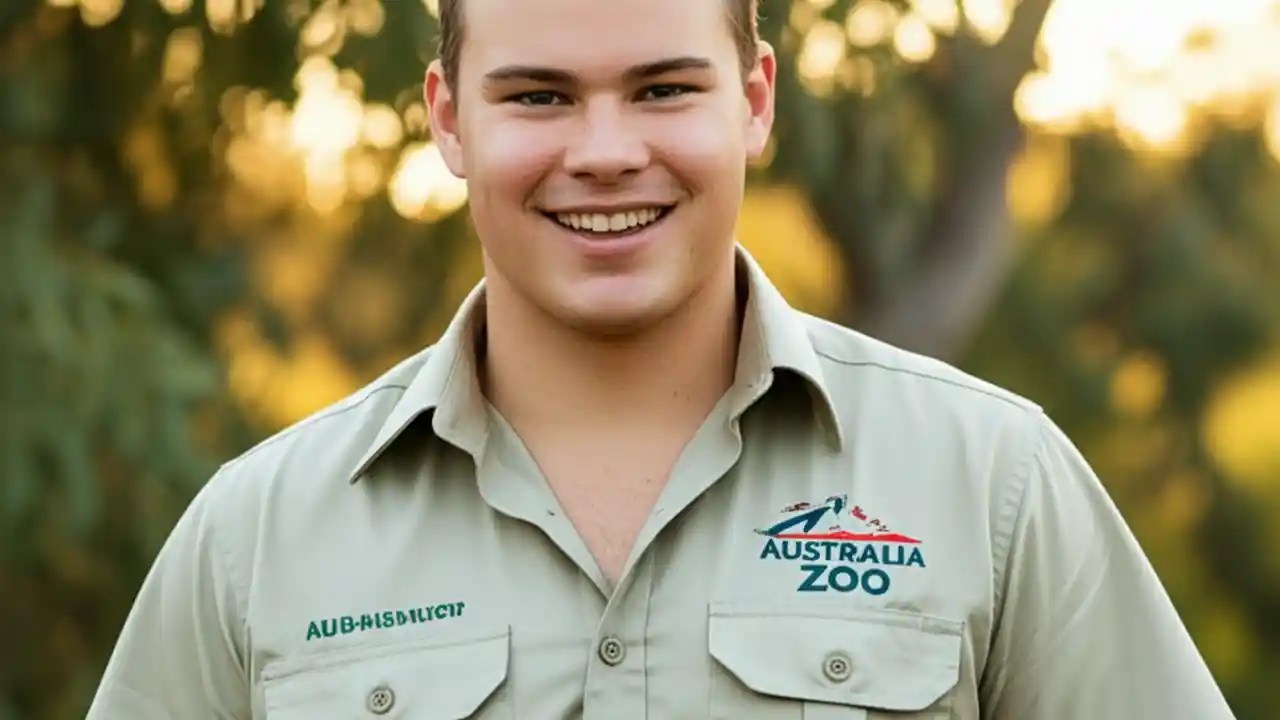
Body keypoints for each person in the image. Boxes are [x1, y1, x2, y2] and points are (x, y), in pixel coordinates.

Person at [86, 0, 1237, 717]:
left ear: (751, 101)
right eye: (538, 95)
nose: (603, 151)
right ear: (446, 120)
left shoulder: (992, 482)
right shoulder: (259, 535)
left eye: (662, 89)